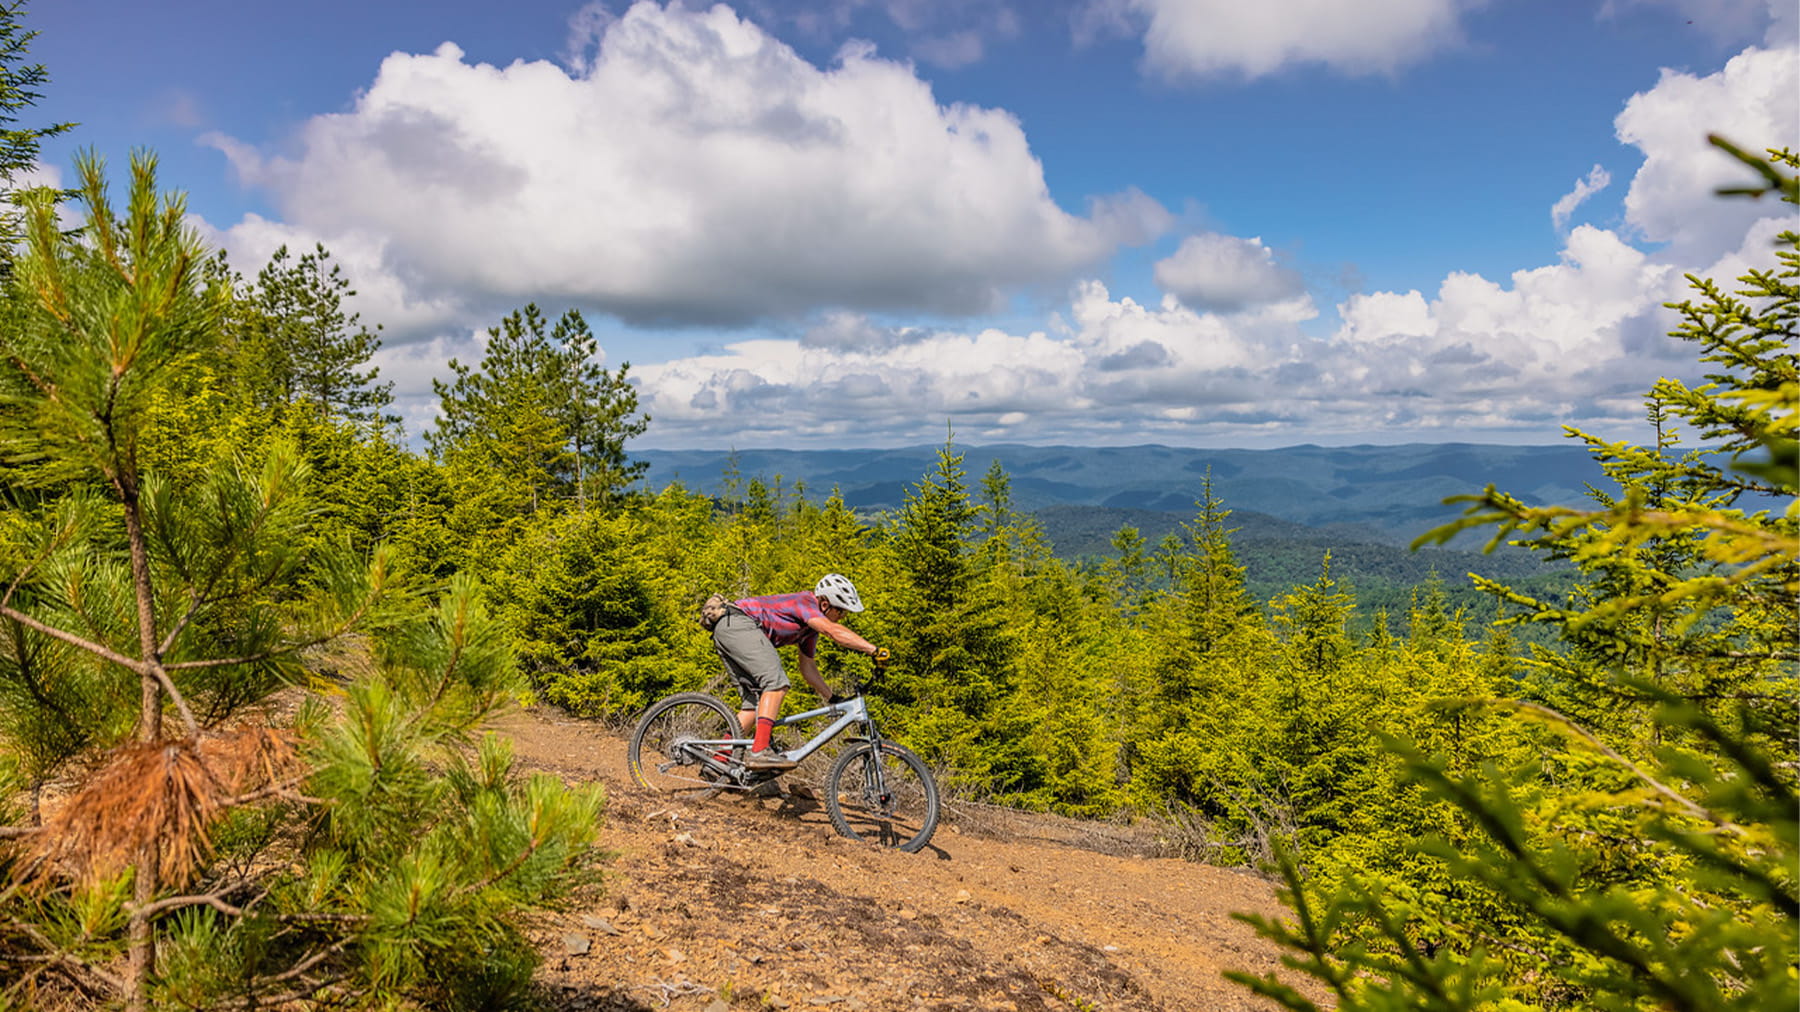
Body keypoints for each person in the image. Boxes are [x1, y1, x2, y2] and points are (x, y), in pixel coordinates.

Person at [711, 573, 886, 769]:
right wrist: (873, 650)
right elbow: (833, 631)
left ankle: (718, 762)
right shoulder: (805, 602)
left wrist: (832, 698)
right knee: (776, 683)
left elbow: (807, 667)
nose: (842, 617)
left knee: (753, 705)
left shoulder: (809, 630)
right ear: (825, 604)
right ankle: (760, 750)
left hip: (730, 628)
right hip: (739, 623)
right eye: (841, 611)